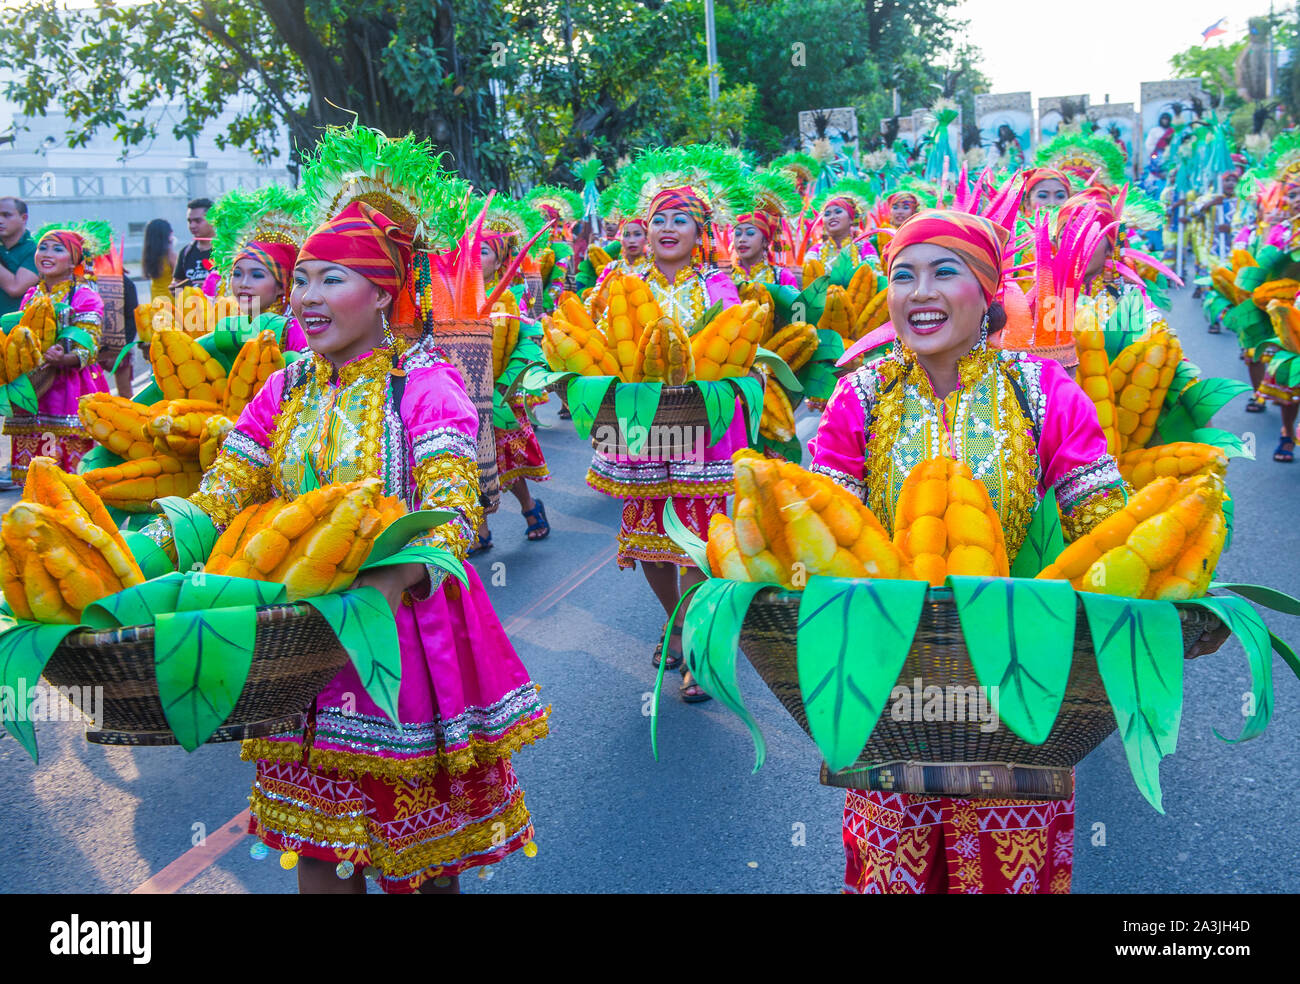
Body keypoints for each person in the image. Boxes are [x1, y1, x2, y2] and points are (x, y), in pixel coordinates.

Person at [140, 128, 550, 895]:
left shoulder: (424, 388)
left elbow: (454, 517)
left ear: (385, 294)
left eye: (332, 281)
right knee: (319, 849)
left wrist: (385, 588)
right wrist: (138, 562)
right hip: (294, 649)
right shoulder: (285, 386)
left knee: (414, 862)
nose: (307, 298)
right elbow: (223, 492)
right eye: (303, 282)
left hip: (400, 651)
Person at [808, 209, 1226, 893]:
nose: (921, 293)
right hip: (890, 679)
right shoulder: (860, 396)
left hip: (1019, 683)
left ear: (988, 293)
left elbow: (1105, 527)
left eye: (946, 272)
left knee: (1011, 867)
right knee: (893, 867)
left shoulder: (1041, 390)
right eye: (903, 276)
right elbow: (823, 534)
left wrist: (1165, 607)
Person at [586, 168, 746, 703]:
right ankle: (675, 621)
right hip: (638, 428)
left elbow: (735, 356)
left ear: (702, 235)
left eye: (682, 220)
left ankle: (698, 647)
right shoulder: (619, 287)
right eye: (659, 220)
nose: (668, 228)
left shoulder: (721, 288)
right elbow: (598, 348)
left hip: (701, 428)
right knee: (651, 540)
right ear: (644, 231)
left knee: (697, 543)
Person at [4, 222, 111, 484]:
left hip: (70, 389)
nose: (47, 253)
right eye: (43, 247)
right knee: (35, 477)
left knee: (71, 477)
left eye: (57, 249)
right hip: (33, 389)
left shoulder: (84, 296)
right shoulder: (31, 295)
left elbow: (90, 344)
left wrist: (64, 358)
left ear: (74, 259)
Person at [472, 201, 552, 552]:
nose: (475, 257)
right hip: (465, 396)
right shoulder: (450, 298)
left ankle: (529, 507)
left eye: (484, 251)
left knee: (510, 463)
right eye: (471, 250)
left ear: (502, 261)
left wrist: (503, 386)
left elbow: (522, 345)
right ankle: (481, 526)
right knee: (470, 463)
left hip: (502, 396)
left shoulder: (510, 299)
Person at [207, 185, 309, 351]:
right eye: (237, 274)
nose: (243, 283)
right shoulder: (228, 328)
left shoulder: (298, 334)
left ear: (282, 287)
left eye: (257, 275)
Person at [0, 196, 39, 319]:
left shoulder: (36, 249)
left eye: (6, 215)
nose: (0, 220)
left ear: (24, 218)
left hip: (21, 328)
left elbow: (15, 288)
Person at [170, 197, 215, 291]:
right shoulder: (186, 252)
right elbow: (177, 282)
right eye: (189, 221)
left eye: (198, 221)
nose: (192, 226)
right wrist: (175, 289)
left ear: (213, 220)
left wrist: (212, 287)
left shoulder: (227, 251)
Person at [141, 218, 178, 301]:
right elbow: (180, 279)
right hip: (170, 300)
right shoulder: (170, 255)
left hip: (156, 299)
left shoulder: (149, 256)